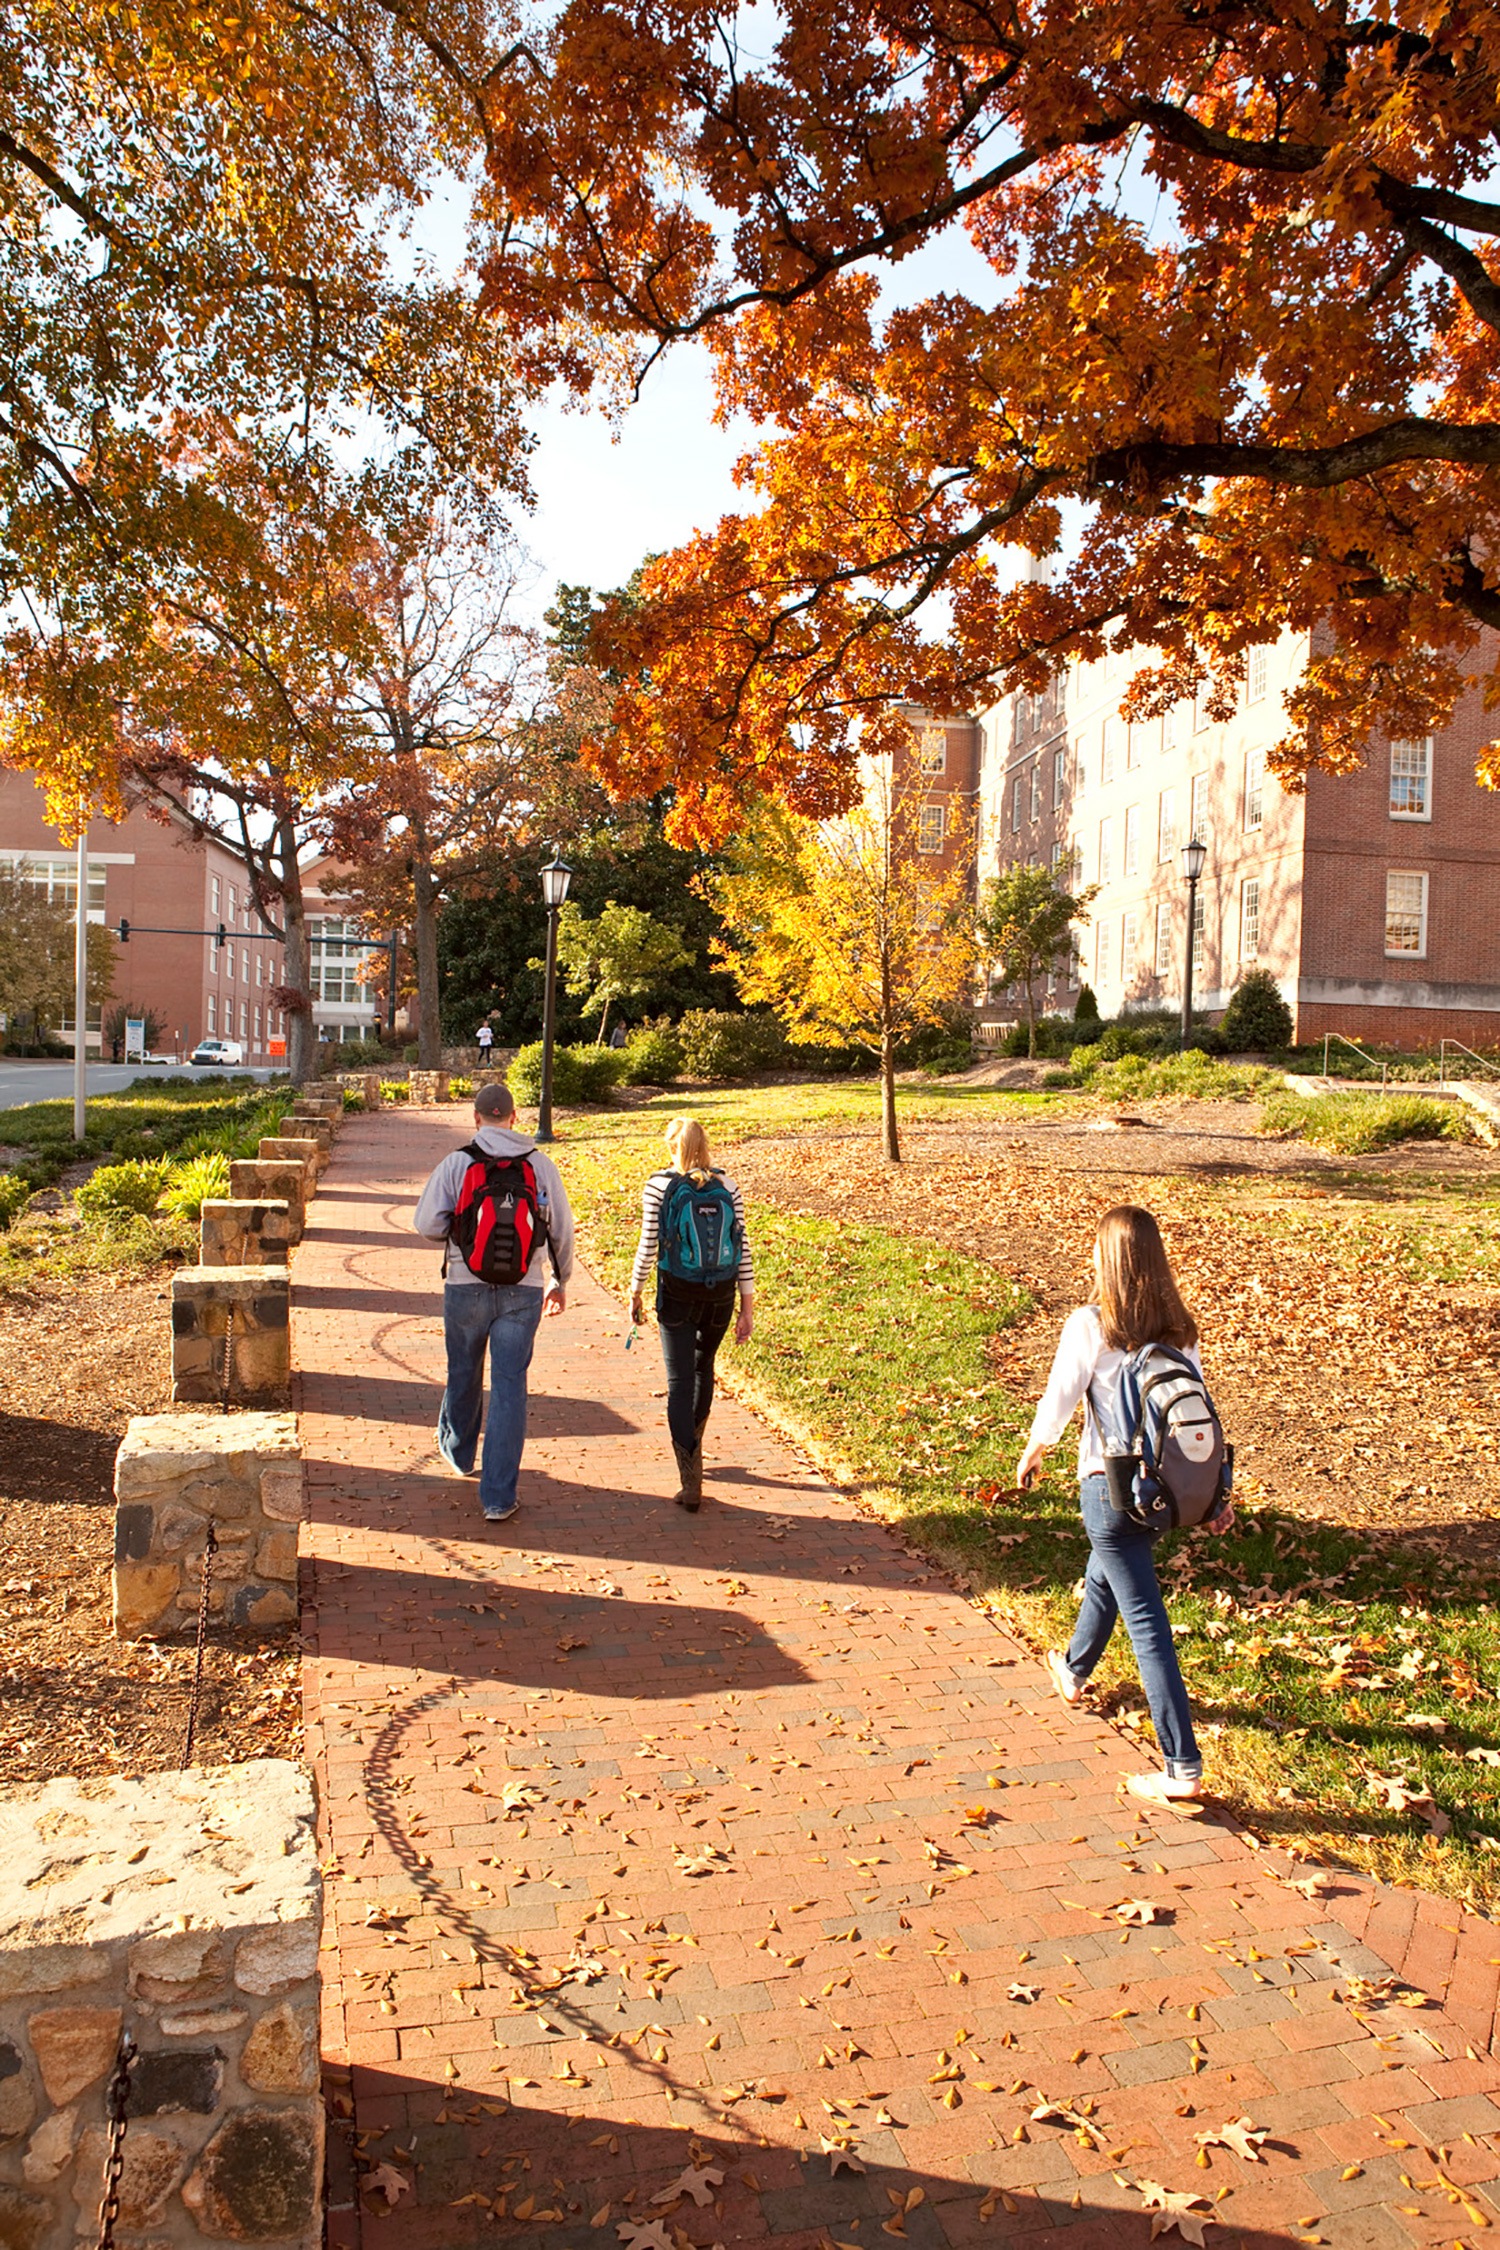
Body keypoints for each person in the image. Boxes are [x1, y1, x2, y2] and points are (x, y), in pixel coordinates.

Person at [1015, 1203, 1234, 1805]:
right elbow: (1196, 1417)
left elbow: (1060, 1400)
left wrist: (1034, 1450)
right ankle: (1074, 1669)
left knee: (1146, 1621)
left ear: (1104, 1259)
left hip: (1109, 1488)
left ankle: (1181, 1766)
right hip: (1163, 1493)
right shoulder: (1181, 1331)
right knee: (1112, 1571)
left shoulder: (1091, 1323)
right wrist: (1217, 1494)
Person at [413, 1080, 574, 1524]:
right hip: (523, 1290)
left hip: (464, 1286)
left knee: (462, 1371)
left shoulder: (456, 1164)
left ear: (477, 1118)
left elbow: (426, 1224)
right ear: (516, 1118)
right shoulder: (541, 1166)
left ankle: (460, 1454)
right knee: (509, 1388)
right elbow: (560, 1230)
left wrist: (459, 1233)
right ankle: (499, 1498)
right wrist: (560, 1282)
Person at [629, 1116, 754, 1511]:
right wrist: (747, 1306)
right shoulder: (728, 1185)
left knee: (679, 1380)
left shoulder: (659, 1186)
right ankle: (695, 1447)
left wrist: (635, 1290)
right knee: (704, 1370)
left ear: (671, 1146)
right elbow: (743, 1248)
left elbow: (649, 1245)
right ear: (705, 1145)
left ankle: (690, 1475)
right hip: (721, 1294)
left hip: (677, 1292)